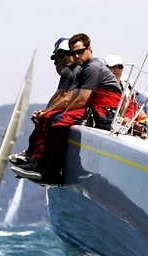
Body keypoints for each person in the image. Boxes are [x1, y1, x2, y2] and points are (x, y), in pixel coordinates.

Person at [13, 33, 121, 182]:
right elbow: (70, 97)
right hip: (94, 108)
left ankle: (50, 170)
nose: (76, 56)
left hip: (106, 113)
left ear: (89, 49)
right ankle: (35, 161)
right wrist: (46, 113)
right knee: (51, 118)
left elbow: (80, 100)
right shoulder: (82, 69)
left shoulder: (92, 68)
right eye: (73, 52)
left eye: (80, 51)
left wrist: (50, 113)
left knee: (58, 121)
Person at [10, 38, 74, 168]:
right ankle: (32, 155)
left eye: (68, 53)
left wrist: (45, 113)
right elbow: (58, 95)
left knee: (51, 119)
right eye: (60, 56)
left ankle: (37, 160)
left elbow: (65, 98)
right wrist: (44, 112)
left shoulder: (71, 71)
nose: (63, 59)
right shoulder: (69, 72)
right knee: (47, 118)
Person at [104, 54, 148, 136]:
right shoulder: (102, 87)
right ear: (106, 68)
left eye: (119, 67)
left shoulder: (126, 87)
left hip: (129, 126)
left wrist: (146, 122)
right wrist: (134, 124)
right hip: (116, 125)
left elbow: (136, 107)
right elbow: (109, 113)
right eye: (112, 66)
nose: (116, 70)